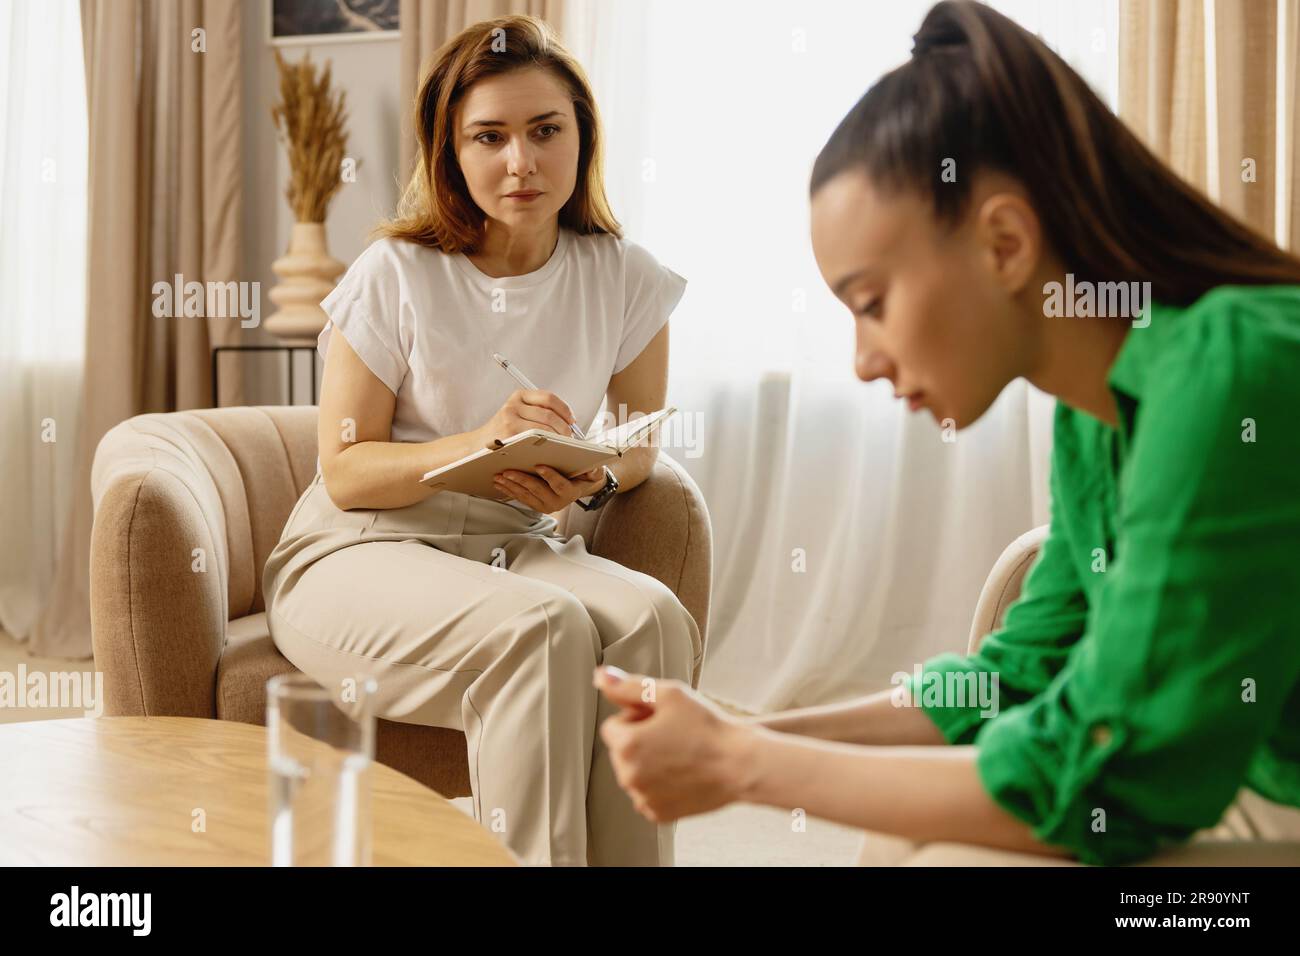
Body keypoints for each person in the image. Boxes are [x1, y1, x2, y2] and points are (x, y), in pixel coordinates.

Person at [594, 0, 1300, 866]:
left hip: (1260, 798)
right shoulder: (1101, 414)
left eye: (872, 304)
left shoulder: (1229, 378)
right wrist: (754, 731)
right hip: (1246, 782)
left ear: (1004, 242)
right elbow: (1013, 679)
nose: (861, 360)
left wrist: (745, 764)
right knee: (907, 828)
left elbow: (1112, 782)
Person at [262, 14, 700, 867]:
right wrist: (479, 442)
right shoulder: (394, 273)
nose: (521, 162)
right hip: (359, 550)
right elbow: (346, 471)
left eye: (545, 131)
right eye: (488, 137)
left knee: (653, 620)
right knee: (543, 630)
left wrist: (593, 482)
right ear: (451, 152)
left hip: (515, 546)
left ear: (583, 136)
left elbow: (638, 439)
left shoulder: (624, 275)